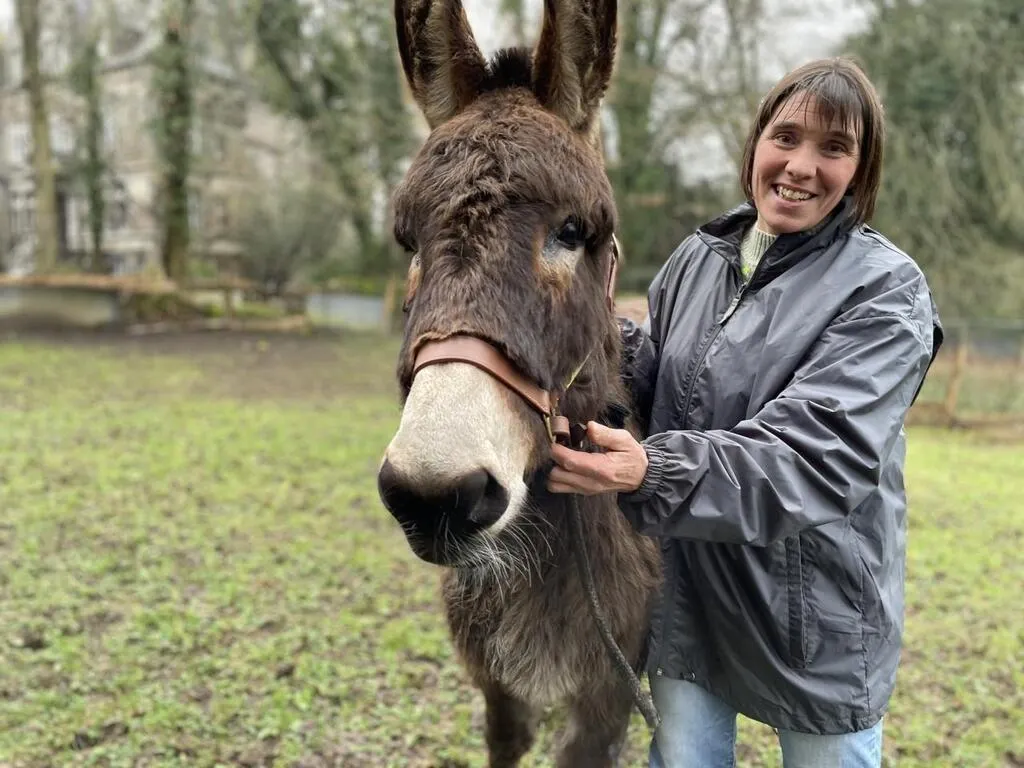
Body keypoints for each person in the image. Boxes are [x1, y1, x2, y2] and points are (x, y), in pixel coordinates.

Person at [546, 56, 944, 768]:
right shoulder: (699, 259)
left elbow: (813, 457)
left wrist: (650, 472)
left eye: (834, 147)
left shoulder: (886, 291)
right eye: (785, 137)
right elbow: (660, 375)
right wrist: (583, 339)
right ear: (756, 142)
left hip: (813, 621)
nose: (801, 166)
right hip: (690, 601)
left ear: (861, 170)